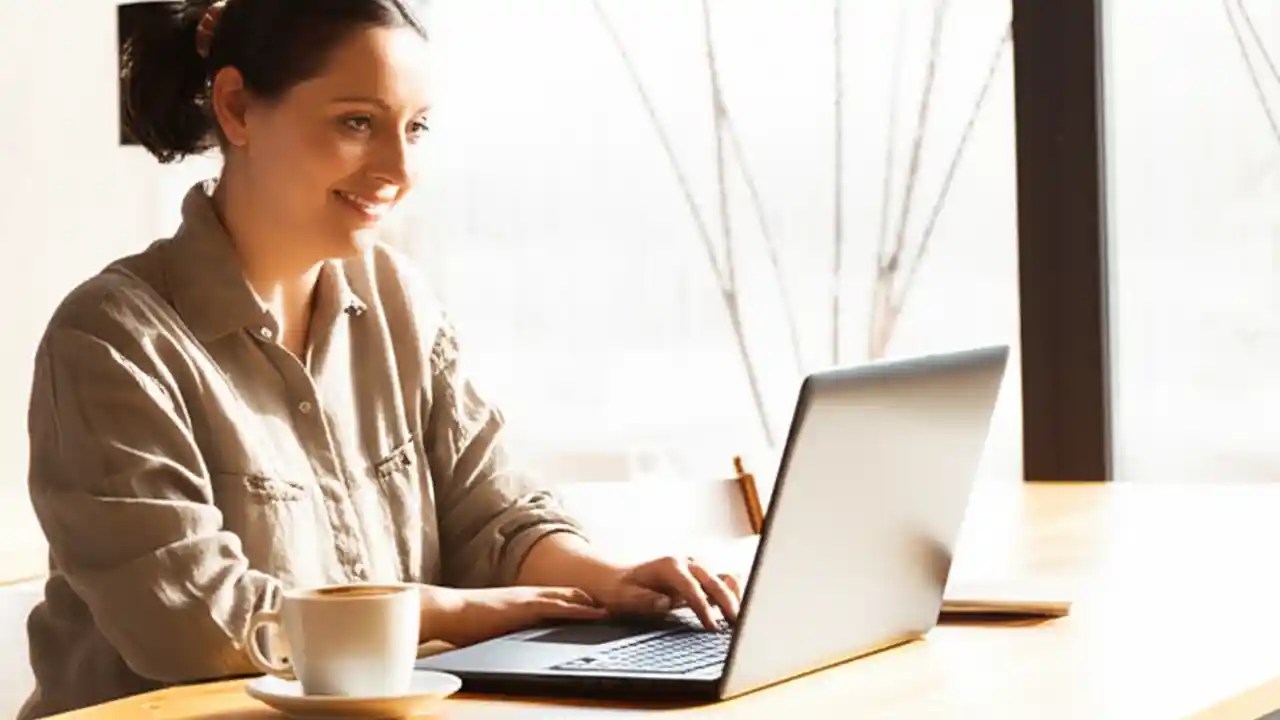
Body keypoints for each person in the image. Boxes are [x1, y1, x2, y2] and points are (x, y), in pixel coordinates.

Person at [19, 1, 741, 716]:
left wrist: (613, 580)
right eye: (356, 123)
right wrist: (451, 613)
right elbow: (192, 624)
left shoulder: (400, 299)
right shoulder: (113, 340)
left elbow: (492, 515)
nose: (399, 167)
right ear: (237, 109)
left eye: (417, 128)